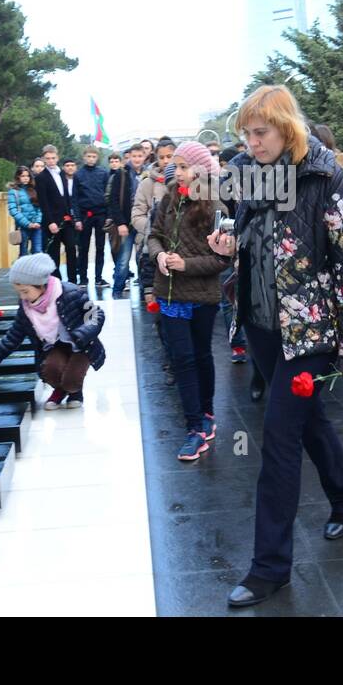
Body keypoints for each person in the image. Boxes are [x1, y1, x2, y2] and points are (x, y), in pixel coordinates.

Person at [206, 85, 343, 609]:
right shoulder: (253, 174)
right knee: (308, 420)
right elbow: (255, 234)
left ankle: (269, 568)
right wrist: (231, 240)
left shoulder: (329, 177)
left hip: (310, 332)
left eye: (261, 133)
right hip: (260, 322)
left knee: (279, 438)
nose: (251, 143)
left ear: (287, 129)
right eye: (246, 134)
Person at [147, 141, 231, 462]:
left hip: (202, 296)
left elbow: (222, 260)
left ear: (201, 170)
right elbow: (154, 235)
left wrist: (186, 264)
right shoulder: (169, 198)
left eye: (183, 166)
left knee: (201, 355)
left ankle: (207, 413)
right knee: (181, 359)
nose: (177, 172)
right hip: (169, 293)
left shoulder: (216, 207)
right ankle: (194, 428)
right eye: (176, 166)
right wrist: (159, 255)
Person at [0, 253, 106, 410]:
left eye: (25, 291)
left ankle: (74, 392)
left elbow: (96, 315)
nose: (22, 297)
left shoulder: (70, 293)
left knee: (71, 380)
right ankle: (60, 391)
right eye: (19, 292)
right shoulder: (26, 310)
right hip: (55, 346)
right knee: (50, 370)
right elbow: (10, 340)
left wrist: (84, 333)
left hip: (82, 345)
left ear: (41, 285)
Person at [106, 143, 145, 296]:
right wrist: (120, 223)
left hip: (143, 223)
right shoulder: (121, 174)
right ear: (129, 157)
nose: (137, 159)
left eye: (140, 156)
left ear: (144, 157)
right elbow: (113, 200)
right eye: (134, 156)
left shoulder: (148, 173)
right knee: (123, 260)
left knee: (143, 258)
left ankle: (144, 291)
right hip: (127, 224)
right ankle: (117, 289)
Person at [34, 145, 76, 281]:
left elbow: (67, 197)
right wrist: (51, 221)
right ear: (44, 159)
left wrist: (71, 215)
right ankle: (56, 281)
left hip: (66, 219)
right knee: (54, 253)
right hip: (52, 221)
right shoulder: (41, 178)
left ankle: (73, 280)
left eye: (53, 158)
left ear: (57, 158)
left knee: (71, 248)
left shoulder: (62, 174)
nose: (51, 161)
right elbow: (43, 202)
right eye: (48, 159)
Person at [73, 146, 111, 286]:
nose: (91, 159)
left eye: (93, 156)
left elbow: (108, 195)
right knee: (83, 248)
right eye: (88, 156)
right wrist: (77, 218)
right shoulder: (78, 175)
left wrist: (108, 215)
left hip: (100, 214)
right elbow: (75, 199)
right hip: (85, 215)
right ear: (84, 157)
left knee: (100, 247)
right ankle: (83, 278)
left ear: (97, 157)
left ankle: (99, 278)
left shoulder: (103, 173)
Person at [7, 166, 43, 257]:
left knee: (38, 251)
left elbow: (40, 207)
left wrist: (38, 221)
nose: (26, 178)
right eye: (23, 176)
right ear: (18, 177)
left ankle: (37, 271)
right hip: (23, 227)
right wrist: (27, 223)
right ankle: (24, 271)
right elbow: (13, 210)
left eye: (27, 176)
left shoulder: (34, 190)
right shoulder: (13, 192)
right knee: (24, 253)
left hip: (36, 226)